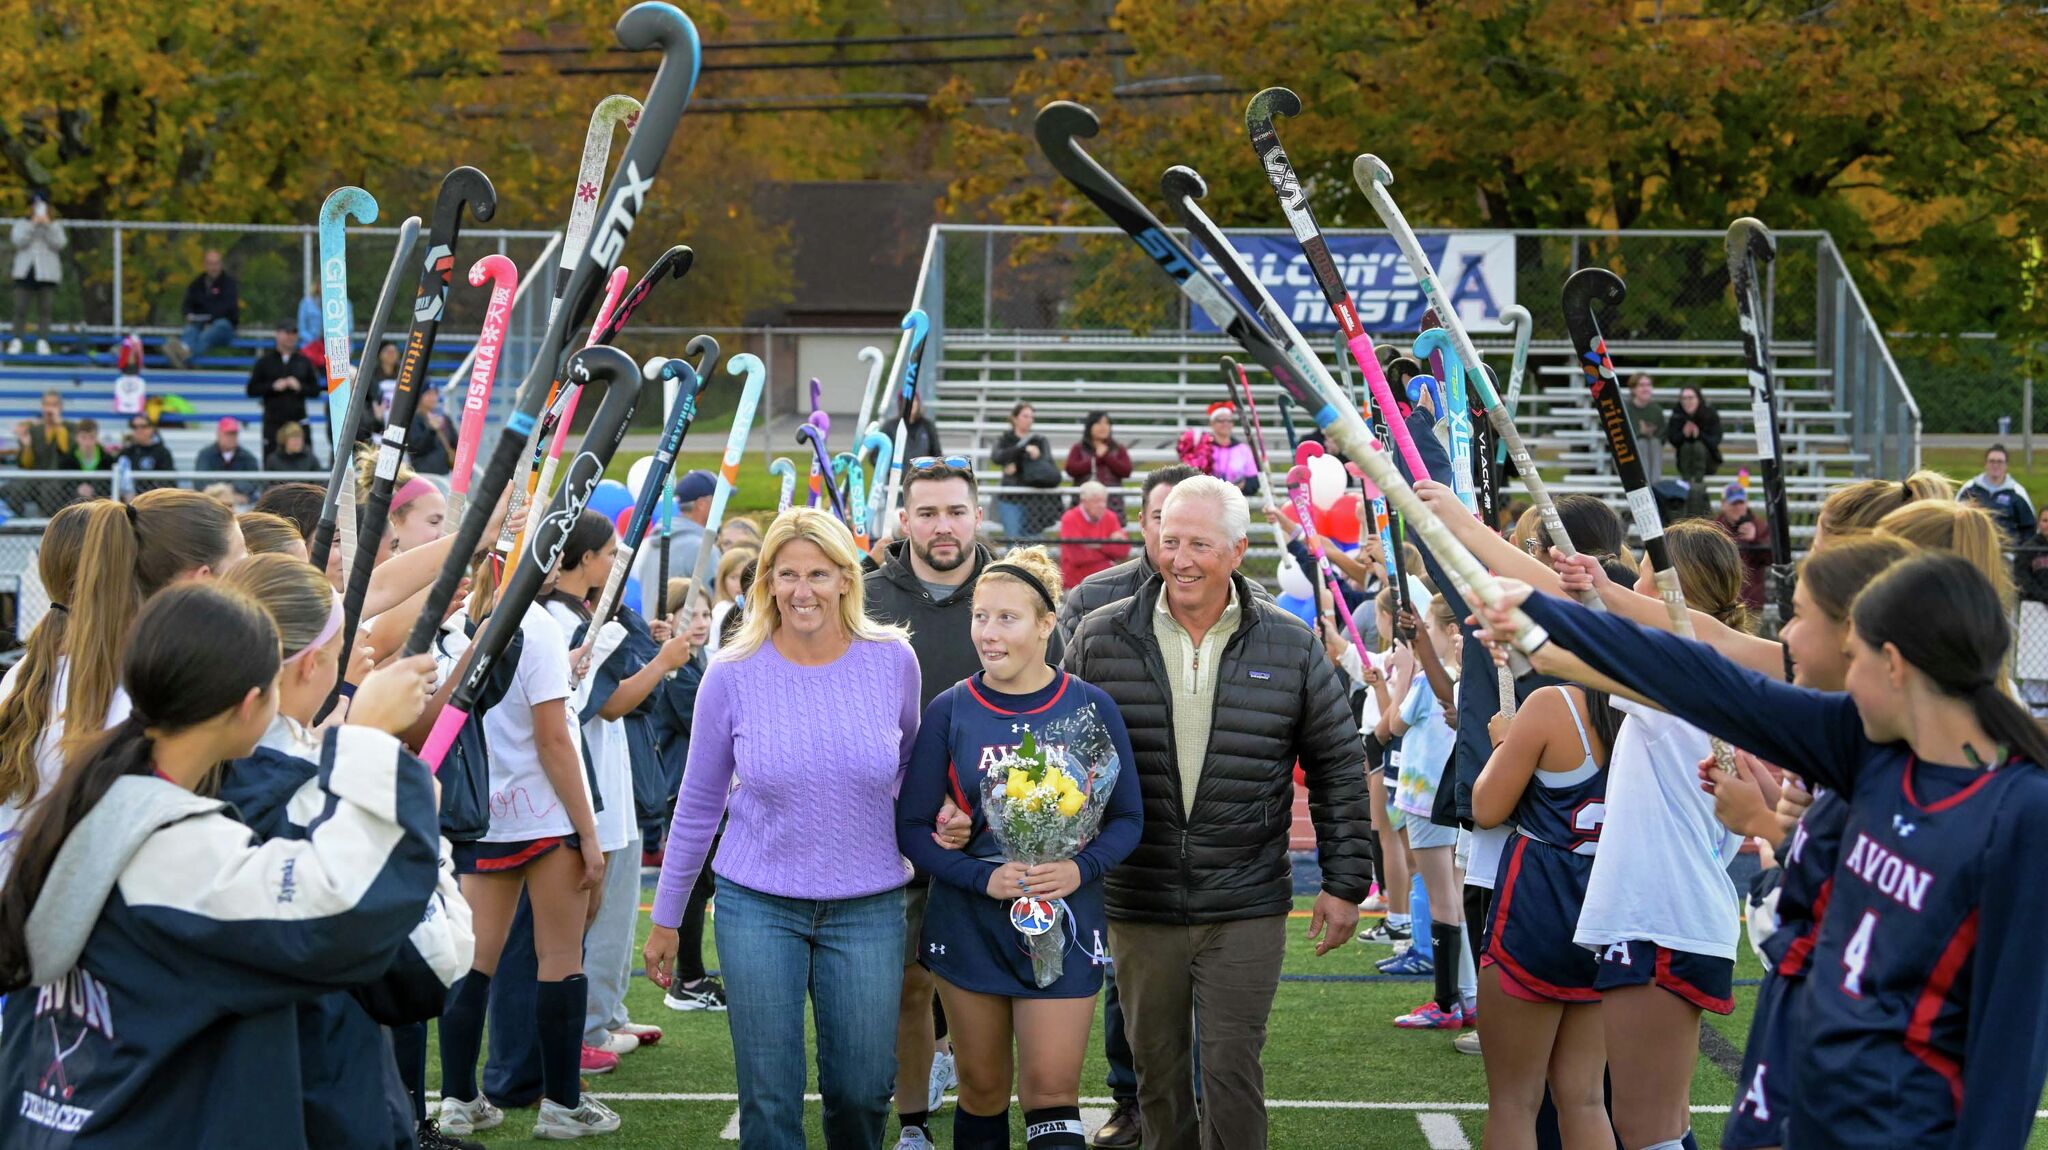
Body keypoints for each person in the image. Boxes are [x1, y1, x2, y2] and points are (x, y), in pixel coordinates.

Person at [1489, 551, 2048, 1149]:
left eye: (1852, 655)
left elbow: (2011, 1039)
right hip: (1804, 1107)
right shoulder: (1863, 746)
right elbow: (1708, 682)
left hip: (1901, 1126)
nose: (1786, 643)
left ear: (1893, 664)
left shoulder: (2020, 812)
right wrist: (1538, 613)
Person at [0, 582, 440, 1147]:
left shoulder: (98, 797)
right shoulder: (170, 843)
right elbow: (341, 917)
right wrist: (371, 745)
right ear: (248, 704)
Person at [1062, 476, 1371, 1150]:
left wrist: (1347, 882)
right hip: (1139, 901)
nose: (1180, 558)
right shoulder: (1099, 635)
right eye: (1169, 540)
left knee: (1232, 1071)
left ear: (1236, 551)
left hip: (1246, 902)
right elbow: (1066, 763)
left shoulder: (1290, 644)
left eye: (1199, 543)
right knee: (1158, 1078)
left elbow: (1338, 764)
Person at [644, 508, 923, 1150]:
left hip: (869, 904)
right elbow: (697, 803)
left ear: (847, 579)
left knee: (861, 1091)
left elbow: (908, 766)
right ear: (766, 581)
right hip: (757, 905)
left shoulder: (892, 661)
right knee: (769, 1099)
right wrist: (665, 918)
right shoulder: (732, 673)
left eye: (819, 574)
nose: (803, 590)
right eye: (787, 574)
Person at [213, 554, 471, 1150]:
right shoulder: (306, 784)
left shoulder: (187, 762)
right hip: (319, 1079)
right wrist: (414, 824)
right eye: (339, 652)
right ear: (310, 667)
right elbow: (426, 970)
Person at [897, 545, 1141, 1150]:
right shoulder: (951, 709)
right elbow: (909, 829)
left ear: (1046, 624)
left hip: (1065, 918)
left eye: (1007, 618)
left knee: (1052, 1092)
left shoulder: (1089, 706)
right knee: (980, 1090)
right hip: (970, 919)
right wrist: (984, 879)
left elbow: (1129, 817)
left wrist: (1077, 867)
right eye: (981, 616)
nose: (988, 632)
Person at [866, 458, 1029, 1149]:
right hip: (891, 828)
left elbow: (1037, 705)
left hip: (996, 832)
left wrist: (985, 808)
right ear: (904, 521)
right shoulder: (865, 597)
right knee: (908, 985)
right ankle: (911, 1125)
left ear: (977, 516)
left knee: (989, 988)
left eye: (956, 512)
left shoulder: (1012, 594)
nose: (943, 526)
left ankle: (986, 1104)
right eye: (927, 513)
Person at [436, 552, 620, 1140]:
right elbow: (553, 741)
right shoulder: (536, 624)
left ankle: (458, 1099)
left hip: (485, 815)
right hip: (547, 816)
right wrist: (589, 834)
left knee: (476, 960)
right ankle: (563, 1106)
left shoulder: (464, 619)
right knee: (561, 960)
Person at [0, 489, 243, 870]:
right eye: (241, 564)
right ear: (202, 579)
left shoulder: (27, 671)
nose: (249, 579)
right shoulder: (152, 692)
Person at [1469, 617, 1627, 1149]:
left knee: (1515, 1101)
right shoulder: (1651, 712)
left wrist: (1502, 746)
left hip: (1538, 907)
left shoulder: (1553, 705)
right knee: (1584, 1098)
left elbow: (1487, 809)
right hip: (1609, 912)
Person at [543, 512, 690, 1066]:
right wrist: (664, 663)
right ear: (583, 559)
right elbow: (607, 701)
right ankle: (590, 1025)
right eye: (609, 552)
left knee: (619, 906)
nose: (617, 560)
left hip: (611, 777)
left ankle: (607, 1012)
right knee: (594, 914)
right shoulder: (562, 621)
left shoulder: (588, 612)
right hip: (589, 784)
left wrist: (648, 651)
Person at [633, 470, 718, 618]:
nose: (723, 508)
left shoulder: (653, 543)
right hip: (687, 639)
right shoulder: (702, 548)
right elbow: (714, 605)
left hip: (653, 635)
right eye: (720, 501)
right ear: (702, 504)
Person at [244, 320, 318, 458]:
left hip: (298, 421)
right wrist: (272, 386)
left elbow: (315, 390)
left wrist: (300, 387)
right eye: (287, 333)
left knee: (304, 461)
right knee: (271, 460)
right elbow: (251, 389)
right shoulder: (265, 361)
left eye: (294, 333)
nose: (291, 337)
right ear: (277, 334)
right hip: (273, 423)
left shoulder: (304, 361)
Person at [990, 401, 1062, 538]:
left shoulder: (1039, 440)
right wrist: (1023, 449)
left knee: (1033, 543)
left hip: (1034, 498)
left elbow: (1046, 466)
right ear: (1015, 418)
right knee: (1014, 541)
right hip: (1010, 497)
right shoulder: (1005, 439)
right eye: (1025, 416)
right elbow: (997, 457)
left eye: (1031, 417)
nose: (1029, 420)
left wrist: (1018, 464)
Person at [9, 191, 64, 356]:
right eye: (35, 205)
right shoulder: (22, 223)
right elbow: (18, 241)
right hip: (25, 271)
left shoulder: (55, 225)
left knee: (45, 309)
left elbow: (60, 243)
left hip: (47, 273)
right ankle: (17, 340)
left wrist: (47, 225)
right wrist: (33, 225)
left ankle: (43, 341)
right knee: (20, 307)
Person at [164, 249, 240, 368]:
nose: (213, 267)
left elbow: (228, 308)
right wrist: (189, 314)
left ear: (221, 265)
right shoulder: (197, 283)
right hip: (201, 323)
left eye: (216, 263)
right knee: (190, 330)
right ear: (205, 265)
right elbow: (187, 304)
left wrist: (210, 320)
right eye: (210, 263)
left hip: (224, 327)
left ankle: (184, 353)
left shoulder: (229, 284)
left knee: (214, 329)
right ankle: (184, 351)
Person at [1957, 442, 2037, 544]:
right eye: (1991, 461)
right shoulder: (1970, 488)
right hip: (1974, 548)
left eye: (2000, 462)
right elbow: (1955, 518)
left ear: (2006, 465)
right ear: (1985, 464)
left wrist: (2019, 555)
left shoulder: (2017, 492)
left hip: (2007, 552)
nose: (1995, 465)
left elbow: (2029, 528)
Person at [1176, 401, 1260, 495]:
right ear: (1212, 423)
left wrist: (1239, 487)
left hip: (1235, 499)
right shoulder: (1203, 447)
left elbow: (1254, 482)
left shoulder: (1243, 449)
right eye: (1221, 420)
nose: (1226, 424)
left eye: (1229, 421)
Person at [1057, 481, 1129, 590]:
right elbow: (1077, 557)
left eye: (1104, 501)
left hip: (1106, 583)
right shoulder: (1070, 518)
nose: (1102, 506)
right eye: (1096, 501)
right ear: (1084, 502)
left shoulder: (1110, 517)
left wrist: (1096, 545)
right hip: (1077, 586)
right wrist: (1108, 548)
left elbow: (1123, 551)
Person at [1664, 386, 1723, 518]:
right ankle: (1687, 482)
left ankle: (1697, 483)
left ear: (1698, 399)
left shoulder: (1709, 413)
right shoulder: (1677, 415)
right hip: (1685, 461)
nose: (1687, 401)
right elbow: (1673, 439)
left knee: (1697, 446)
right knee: (1687, 446)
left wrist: (1699, 434)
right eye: (1684, 398)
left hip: (1708, 461)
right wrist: (1684, 434)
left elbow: (1715, 441)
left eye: (1690, 398)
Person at [1064, 411, 1132, 512]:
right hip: (1083, 505)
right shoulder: (1078, 448)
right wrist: (1097, 458)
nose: (1103, 427)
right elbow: (1071, 469)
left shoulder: (1118, 449)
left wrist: (1107, 457)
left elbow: (1126, 470)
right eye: (1098, 423)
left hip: (1112, 505)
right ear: (1090, 426)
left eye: (1106, 423)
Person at [1715, 484, 1769, 609]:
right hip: (1720, 601)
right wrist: (1741, 540)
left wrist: (1755, 540)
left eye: (1741, 503)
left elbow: (1771, 558)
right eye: (1734, 504)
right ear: (1723, 505)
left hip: (1750, 603)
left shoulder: (1760, 526)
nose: (1738, 508)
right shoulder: (1714, 528)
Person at [194, 416, 261, 499]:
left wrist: (231, 488)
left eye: (234, 434)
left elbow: (253, 483)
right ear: (218, 434)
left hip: (240, 501)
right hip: (212, 499)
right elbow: (199, 482)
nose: (231, 438)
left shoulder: (247, 457)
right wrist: (221, 490)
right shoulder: (205, 454)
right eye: (228, 434)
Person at [15, 389, 74, 470]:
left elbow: (67, 454)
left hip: (61, 480)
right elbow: (25, 465)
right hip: (36, 480)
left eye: (54, 405)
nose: (50, 408)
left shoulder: (71, 427)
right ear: (42, 407)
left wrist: (58, 424)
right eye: (47, 404)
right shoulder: (33, 430)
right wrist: (27, 446)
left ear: (61, 407)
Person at [1625, 374, 1666, 485]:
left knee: (1654, 443)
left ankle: (1654, 485)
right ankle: (1644, 484)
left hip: (1651, 451)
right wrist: (1640, 433)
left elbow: (1662, 436)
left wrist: (1651, 433)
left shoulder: (1656, 410)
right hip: (1628, 456)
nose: (1646, 388)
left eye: (1648, 385)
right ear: (1633, 389)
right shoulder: (1624, 409)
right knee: (1642, 443)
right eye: (1642, 385)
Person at [880, 393, 943, 464]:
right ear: (901, 404)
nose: (911, 403)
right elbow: (877, 455)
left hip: (922, 473)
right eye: (907, 400)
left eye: (914, 400)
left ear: (918, 403)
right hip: (896, 473)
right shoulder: (890, 427)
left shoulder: (927, 426)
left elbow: (937, 454)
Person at [119, 414, 176, 491]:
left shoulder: (162, 452)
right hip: (131, 497)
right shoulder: (127, 451)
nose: (138, 430)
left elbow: (169, 481)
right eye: (134, 427)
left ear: (152, 429)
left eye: (143, 426)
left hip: (153, 498)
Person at [409, 385, 457, 475]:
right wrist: (431, 430)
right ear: (420, 396)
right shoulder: (413, 419)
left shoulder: (444, 418)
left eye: (435, 394)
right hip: (424, 474)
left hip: (446, 473)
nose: (433, 398)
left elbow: (456, 443)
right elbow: (415, 449)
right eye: (429, 394)